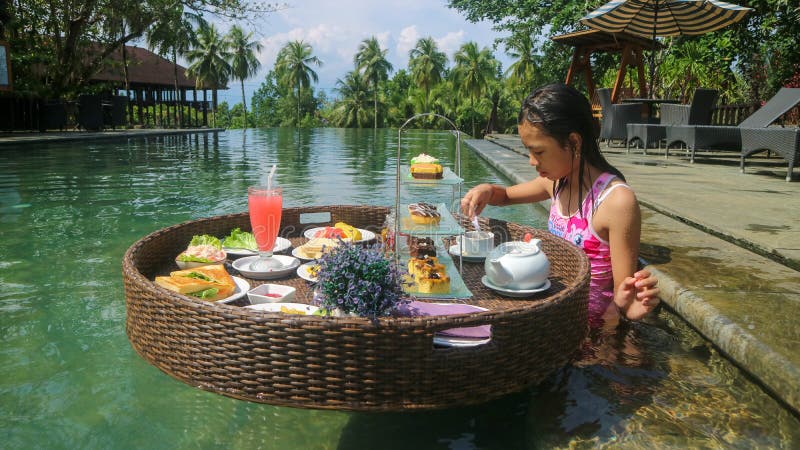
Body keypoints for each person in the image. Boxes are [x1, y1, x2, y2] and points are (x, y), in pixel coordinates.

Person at [461, 83, 660, 327]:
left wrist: (627, 307)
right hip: (552, 313)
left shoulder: (616, 202)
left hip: (588, 326)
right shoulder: (555, 183)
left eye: (539, 152)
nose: (532, 161)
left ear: (574, 143)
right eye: (528, 151)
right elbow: (506, 196)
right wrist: (487, 190)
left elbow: (623, 293)